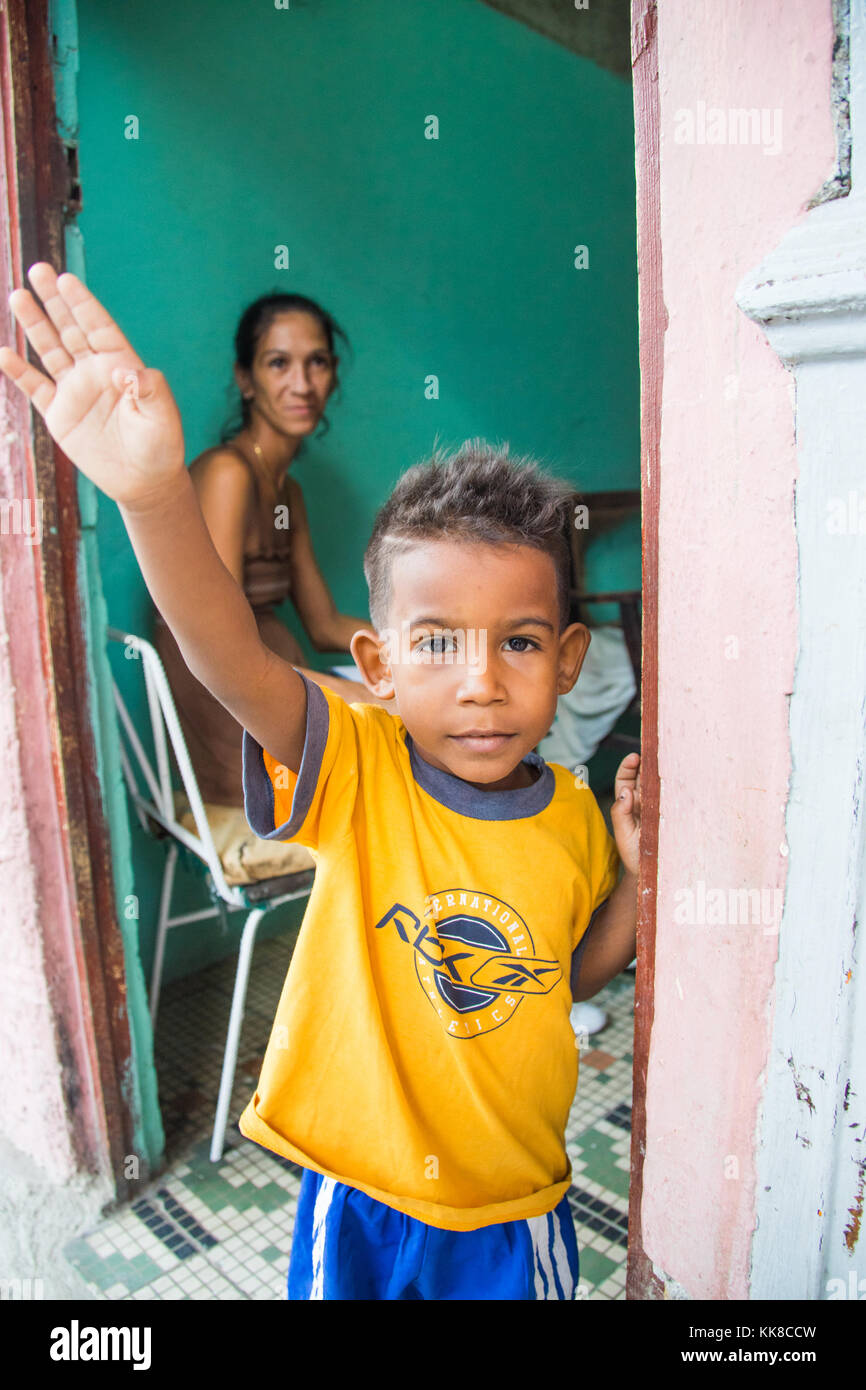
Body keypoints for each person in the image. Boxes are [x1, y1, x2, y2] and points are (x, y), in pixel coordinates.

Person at [2, 264, 640, 1302]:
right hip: (362, 1200)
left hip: (513, 1214)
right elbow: (225, 651)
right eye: (435, 642)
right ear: (386, 671)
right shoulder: (361, 766)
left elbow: (567, 977)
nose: (478, 683)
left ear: (567, 660)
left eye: (517, 643)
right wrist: (153, 494)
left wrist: (635, 882)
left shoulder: (570, 810)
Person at [153, 290, 389, 811]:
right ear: (245, 378)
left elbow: (325, 624)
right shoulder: (227, 474)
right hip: (230, 706)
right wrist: (361, 695)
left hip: (273, 684)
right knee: (404, 723)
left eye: (317, 363)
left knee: (427, 706)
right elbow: (222, 644)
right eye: (278, 363)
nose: (301, 384)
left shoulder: (288, 492)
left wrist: (426, 649)